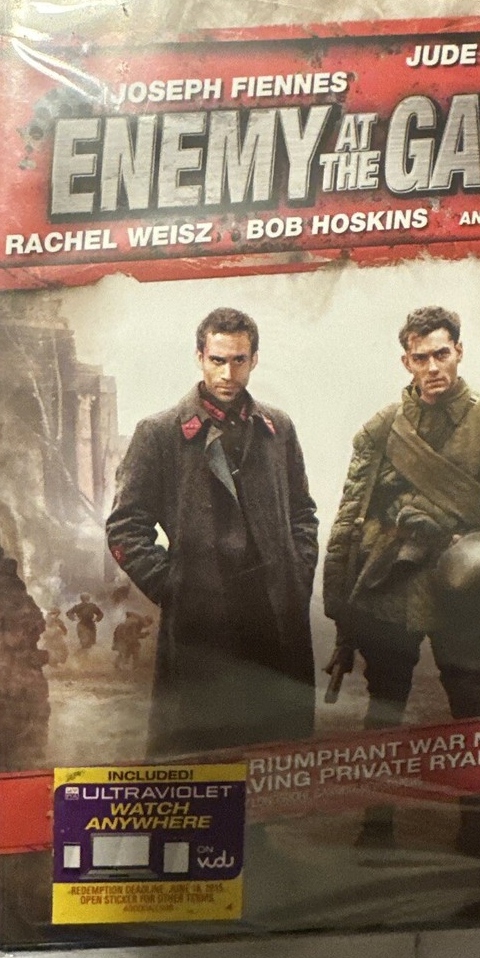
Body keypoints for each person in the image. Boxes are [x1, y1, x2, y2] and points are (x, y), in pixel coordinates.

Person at [323, 305, 480, 854]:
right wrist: (339, 596)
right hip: (392, 585)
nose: (433, 367)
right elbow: (351, 513)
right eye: (421, 358)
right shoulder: (380, 429)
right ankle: (377, 828)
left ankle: (475, 828)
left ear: (458, 352)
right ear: (407, 362)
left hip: (464, 580)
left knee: (469, 704)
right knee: (384, 708)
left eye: (442, 353)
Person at [107, 307, 318, 755]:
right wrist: (175, 587)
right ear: (200, 357)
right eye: (217, 360)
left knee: (275, 754)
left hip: (273, 617)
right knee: (201, 753)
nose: (227, 373)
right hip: (203, 624)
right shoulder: (160, 433)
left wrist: (298, 574)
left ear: (254, 359)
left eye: (239, 360)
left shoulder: (277, 428)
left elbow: (303, 512)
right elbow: (125, 527)